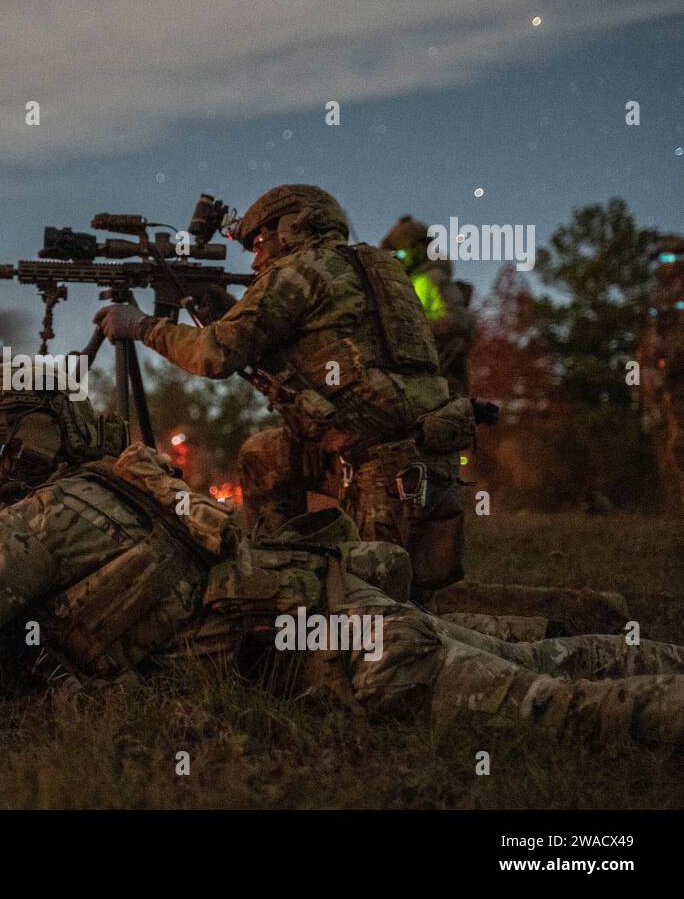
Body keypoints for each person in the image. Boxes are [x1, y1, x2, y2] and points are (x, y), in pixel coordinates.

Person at [0, 373, 684, 749]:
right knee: (571, 662)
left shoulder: (46, 518)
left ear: (29, 440)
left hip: (336, 652)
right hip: (339, 611)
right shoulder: (123, 473)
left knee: (571, 712)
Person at [93, 184, 473, 603]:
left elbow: (214, 356)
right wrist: (225, 313)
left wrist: (140, 326)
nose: (256, 257)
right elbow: (311, 339)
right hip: (404, 444)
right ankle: (285, 582)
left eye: (259, 241)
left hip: (385, 462)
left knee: (386, 614)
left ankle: (531, 647)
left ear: (291, 228)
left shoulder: (300, 270)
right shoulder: (377, 268)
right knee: (264, 457)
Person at [380, 215, 475, 397]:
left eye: (400, 254)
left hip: (441, 382)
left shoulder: (432, 278)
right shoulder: (416, 280)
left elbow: (457, 321)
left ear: (419, 249)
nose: (397, 260)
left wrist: (408, 328)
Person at [637, 235, 684, 512]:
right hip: (659, 382)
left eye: (674, 257)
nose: (668, 264)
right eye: (663, 258)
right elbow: (647, 342)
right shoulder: (656, 297)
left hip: (678, 380)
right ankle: (676, 506)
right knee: (664, 445)